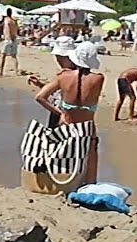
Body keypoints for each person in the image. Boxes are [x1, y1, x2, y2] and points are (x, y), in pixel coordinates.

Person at [34, 41, 104, 184]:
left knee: (63, 160)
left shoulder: (63, 77)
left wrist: (60, 113)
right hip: (87, 129)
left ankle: (61, 185)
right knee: (90, 158)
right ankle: (89, 187)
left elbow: (40, 97)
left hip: (66, 125)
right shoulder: (98, 79)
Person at [28, 36, 77, 128]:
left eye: (59, 57)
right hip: (71, 115)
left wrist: (60, 113)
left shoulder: (66, 74)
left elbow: (40, 98)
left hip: (63, 114)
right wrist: (40, 84)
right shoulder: (79, 73)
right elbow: (58, 93)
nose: (57, 60)